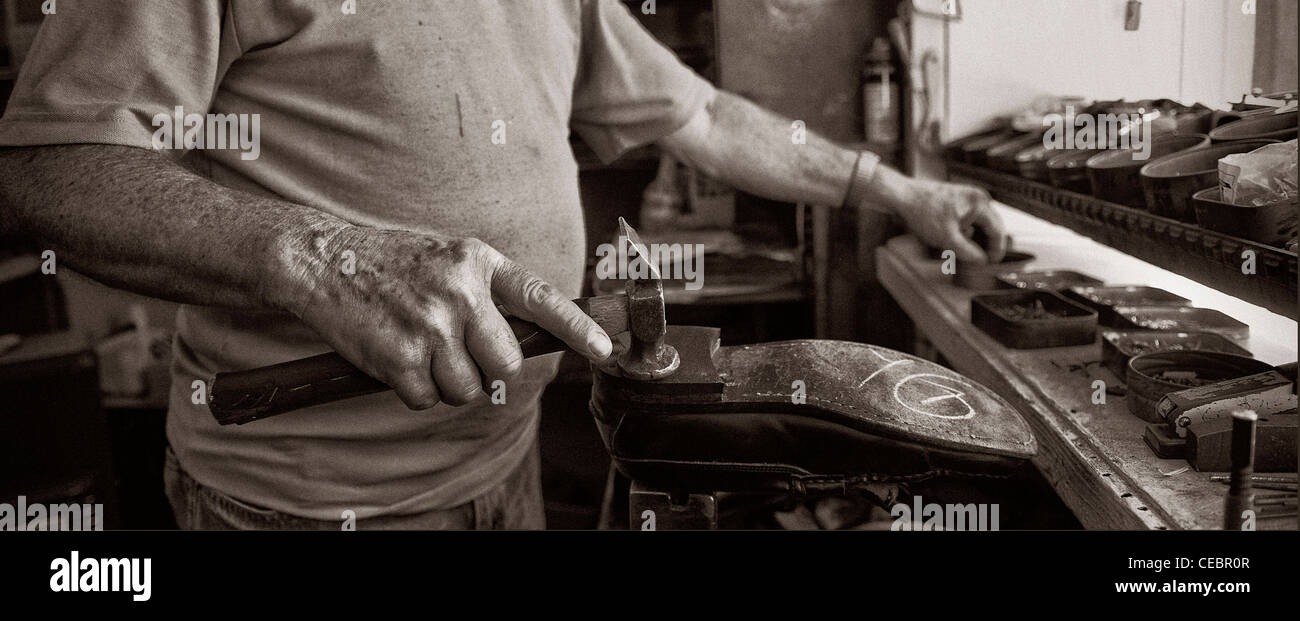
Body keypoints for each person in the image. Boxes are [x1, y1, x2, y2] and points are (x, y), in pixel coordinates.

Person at [0, 0, 1006, 530]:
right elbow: (52, 167)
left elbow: (699, 115)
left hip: (501, 464)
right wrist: (320, 256)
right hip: (304, 502)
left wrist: (901, 192)